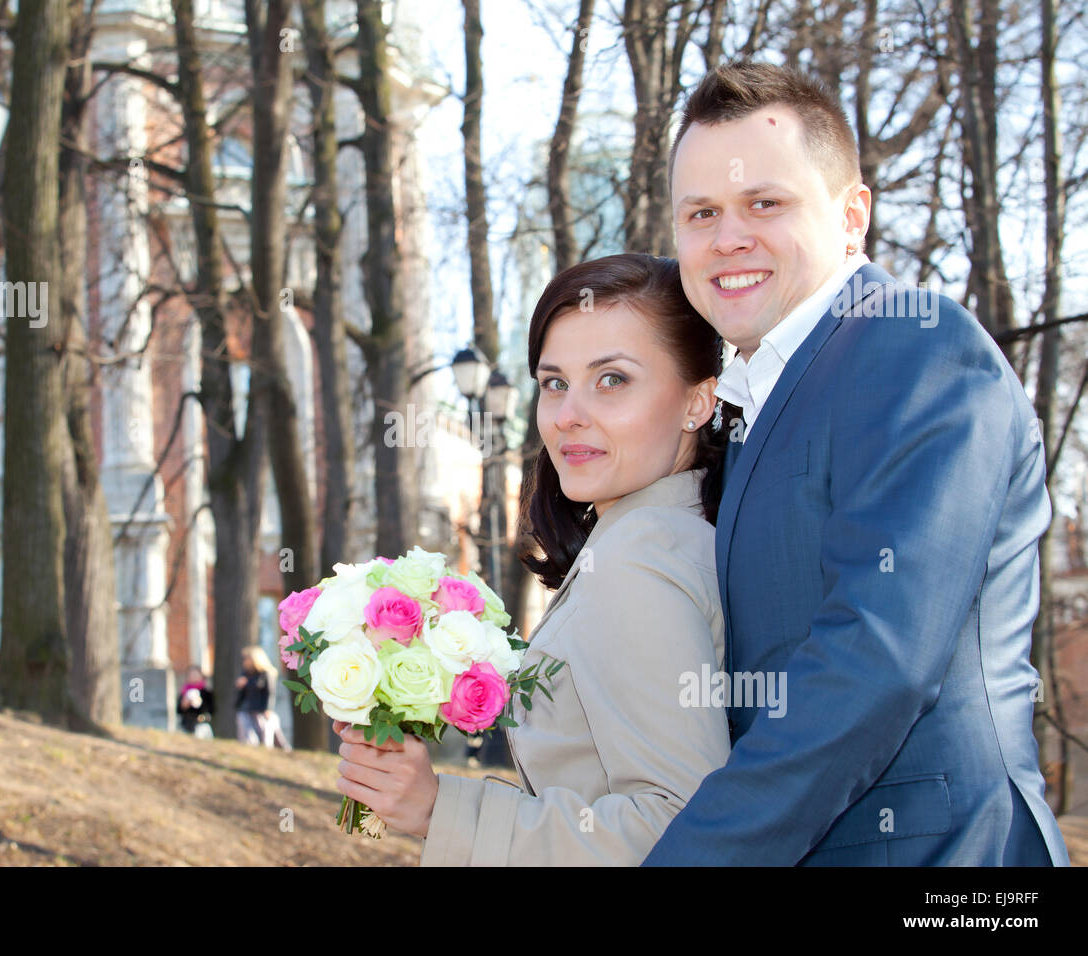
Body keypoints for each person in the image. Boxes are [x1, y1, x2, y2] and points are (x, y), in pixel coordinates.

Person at [643, 60, 1069, 865]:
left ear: (852, 216)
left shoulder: (917, 347)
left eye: (764, 203)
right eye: (701, 213)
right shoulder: (750, 400)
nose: (728, 237)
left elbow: (877, 658)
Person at [334, 253, 735, 865]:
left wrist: (440, 810)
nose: (568, 414)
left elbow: (679, 824)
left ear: (697, 401)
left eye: (612, 379)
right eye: (554, 383)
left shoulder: (640, 562)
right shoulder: (657, 536)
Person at [235, 645, 290, 750]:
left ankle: (268, 749)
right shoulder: (245, 674)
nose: (245, 661)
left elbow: (270, 692)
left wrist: (267, 708)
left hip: (260, 708)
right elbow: (242, 692)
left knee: (264, 731)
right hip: (246, 707)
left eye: (247, 658)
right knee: (248, 732)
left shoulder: (265, 674)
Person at [176, 665, 214, 738]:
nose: (193, 677)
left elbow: (211, 709)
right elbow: (178, 710)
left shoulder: (206, 692)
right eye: (191, 675)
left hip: (202, 725)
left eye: (196, 675)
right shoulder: (184, 692)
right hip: (187, 725)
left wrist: (199, 702)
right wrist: (184, 705)